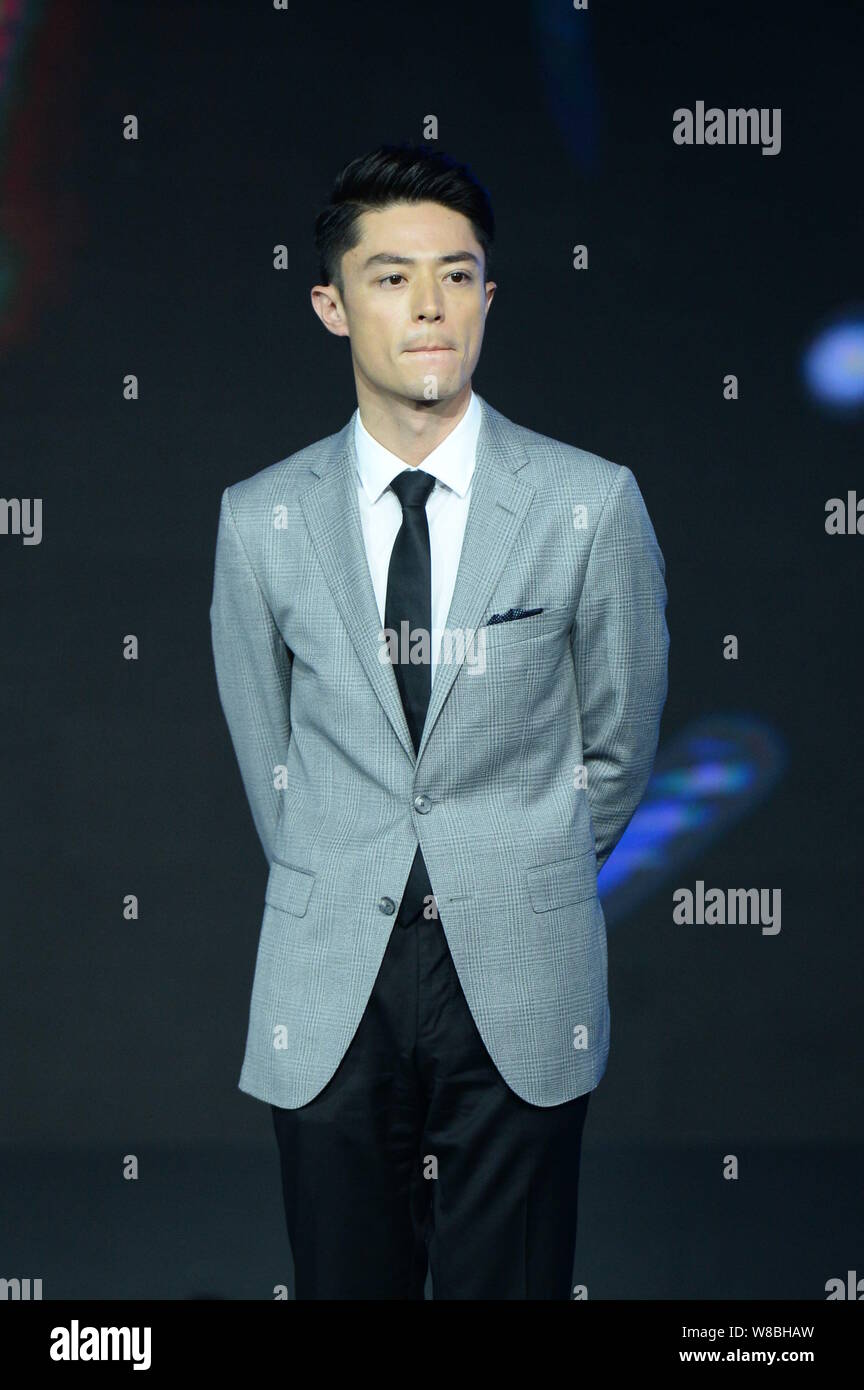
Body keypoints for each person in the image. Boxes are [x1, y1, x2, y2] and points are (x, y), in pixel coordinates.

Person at [209, 143, 669, 1299]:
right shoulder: (259, 519)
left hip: (519, 967)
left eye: (458, 276)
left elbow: (617, 747)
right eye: (391, 275)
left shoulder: (587, 502)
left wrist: (520, 867)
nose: (430, 306)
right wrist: (343, 865)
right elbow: (270, 756)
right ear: (330, 303)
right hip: (331, 979)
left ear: (489, 296)